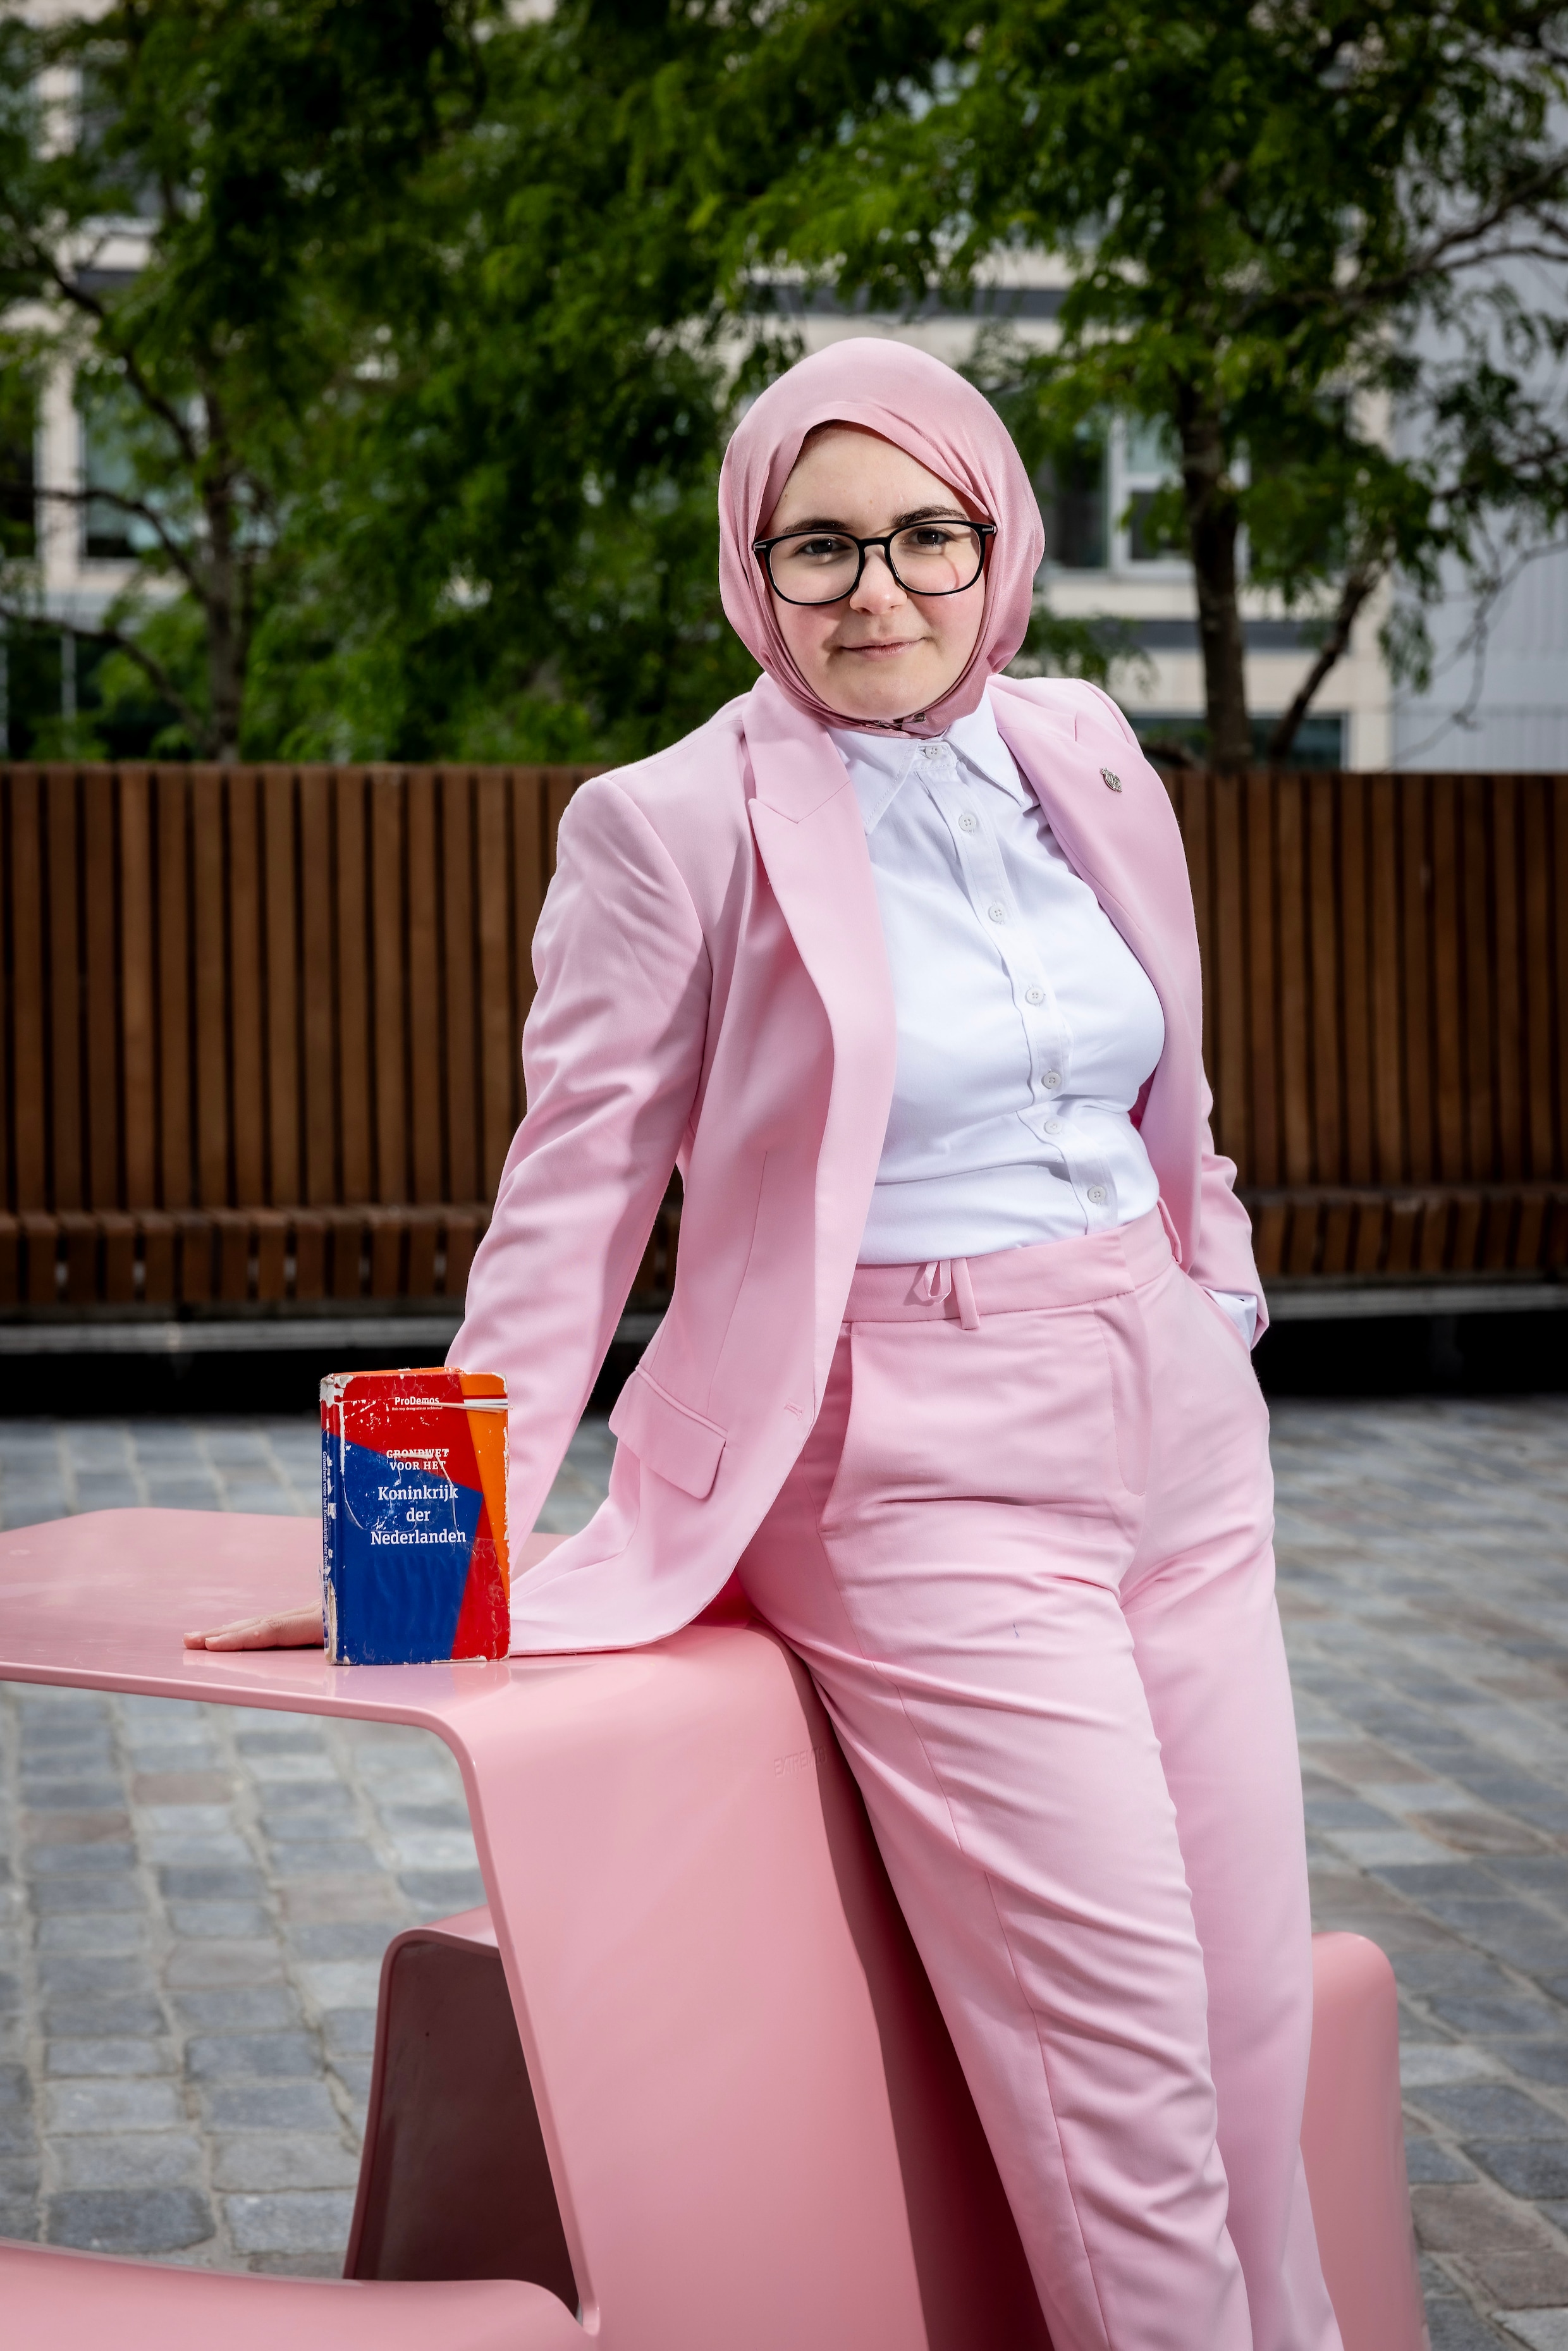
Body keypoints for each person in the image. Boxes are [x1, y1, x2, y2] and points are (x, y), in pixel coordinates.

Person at [188, 338, 1342, 2351]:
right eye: (820, 547)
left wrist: (1216, 1290)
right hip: (912, 1471)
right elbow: (568, 1205)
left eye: (925, 537)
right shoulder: (673, 824)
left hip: (1175, 1429)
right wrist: (406, 1551)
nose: (877, 592)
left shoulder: (1082, 746)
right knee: (1126, 2067)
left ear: (1001, 542)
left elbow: (1167, 1074)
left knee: (1256, 2022)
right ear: (751, 563)